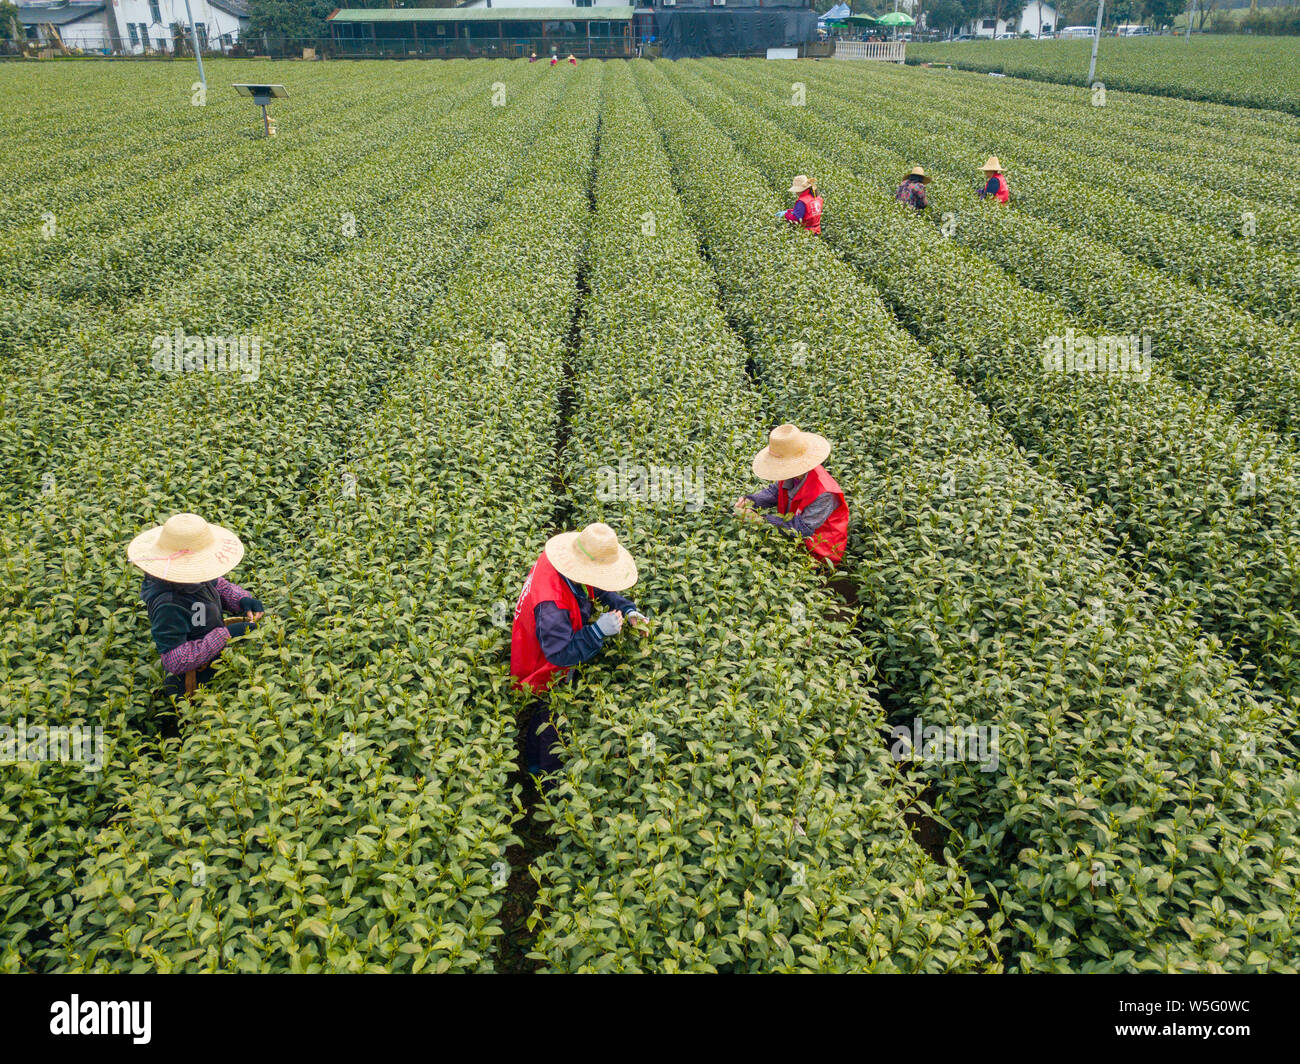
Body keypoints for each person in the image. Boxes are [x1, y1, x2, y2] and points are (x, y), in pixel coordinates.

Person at [511, 523, 648, 777]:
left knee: (544, 719)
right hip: (541, 666)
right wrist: (597, 631)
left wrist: (626, 607)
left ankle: (533, 761)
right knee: (550, 723)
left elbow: (596, 584)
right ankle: (547, 780)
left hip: (543, 647)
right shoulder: (551, 605)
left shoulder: (563, 565)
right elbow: (559, 654)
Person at [128, 513, 264, 699]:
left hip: (214, 663)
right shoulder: (168, 605)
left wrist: (241, 600)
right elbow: (175, 660)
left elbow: (219, 586)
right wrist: (226, 635)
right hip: (190, 684)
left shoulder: (196, 578)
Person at [735, 424, 849, 566]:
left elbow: (802, 529)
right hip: (795, 542)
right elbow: (774, 492)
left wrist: (760, 520)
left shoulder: (825, 493)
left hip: (820, 553)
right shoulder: (791, 474)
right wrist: (750, 501)